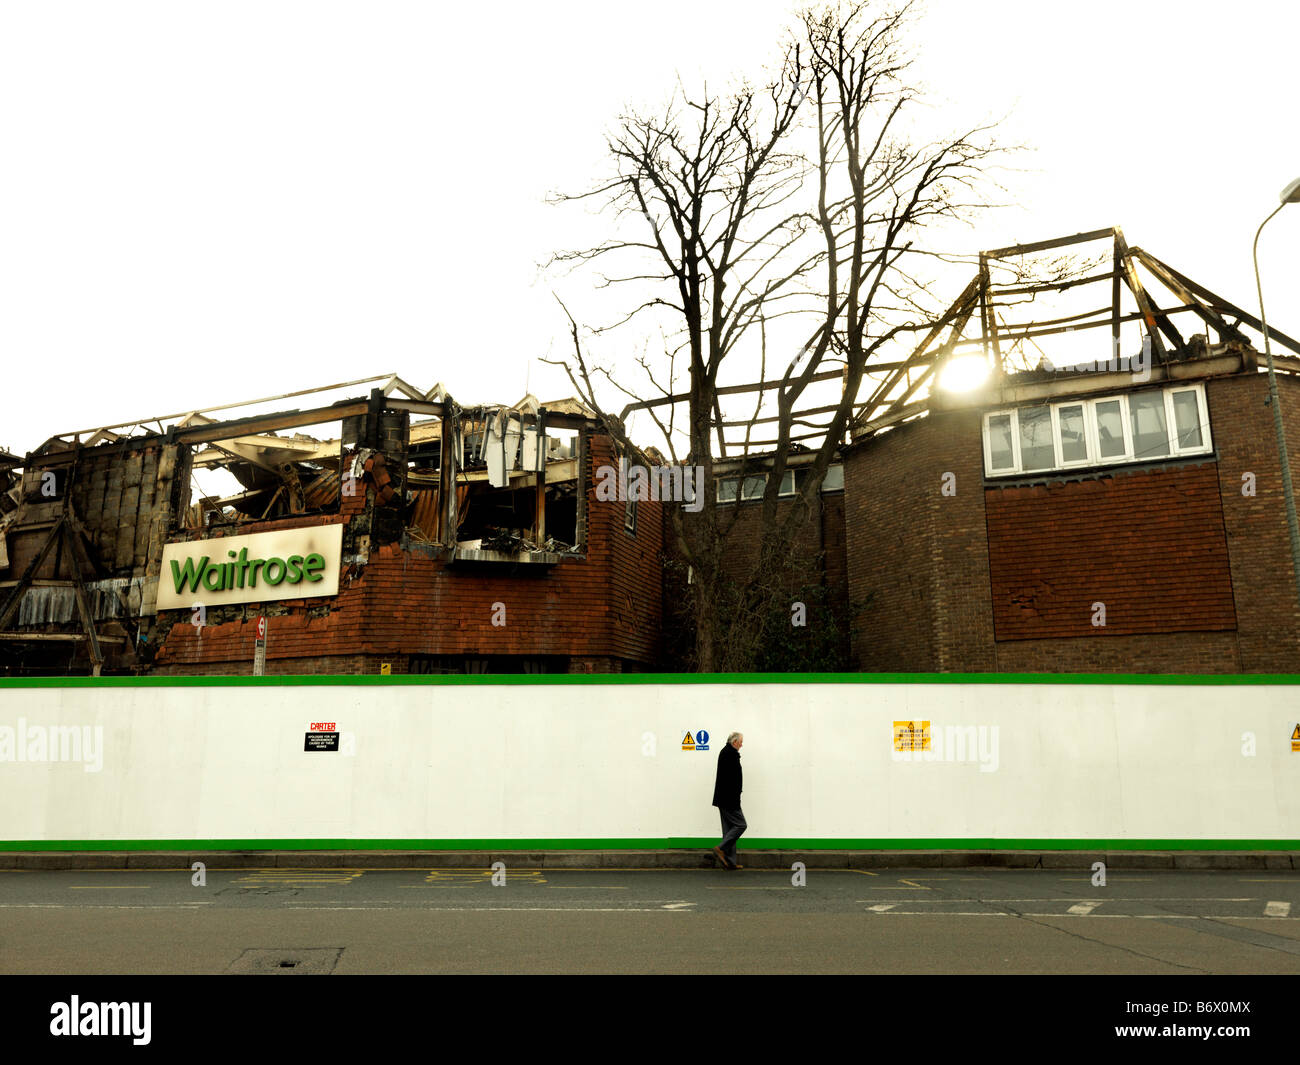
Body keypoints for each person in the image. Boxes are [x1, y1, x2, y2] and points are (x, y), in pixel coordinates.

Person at [711, 732, 746, 870]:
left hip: (724, 799)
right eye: (741, 742)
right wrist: (735, 798)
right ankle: (719, 849)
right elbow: (731, 780)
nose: (742, 745)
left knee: (729, 831)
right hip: (729, 800)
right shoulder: (730, 754)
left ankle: (730, 862)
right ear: (734, 742)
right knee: (741, 825)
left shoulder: (726, 752)